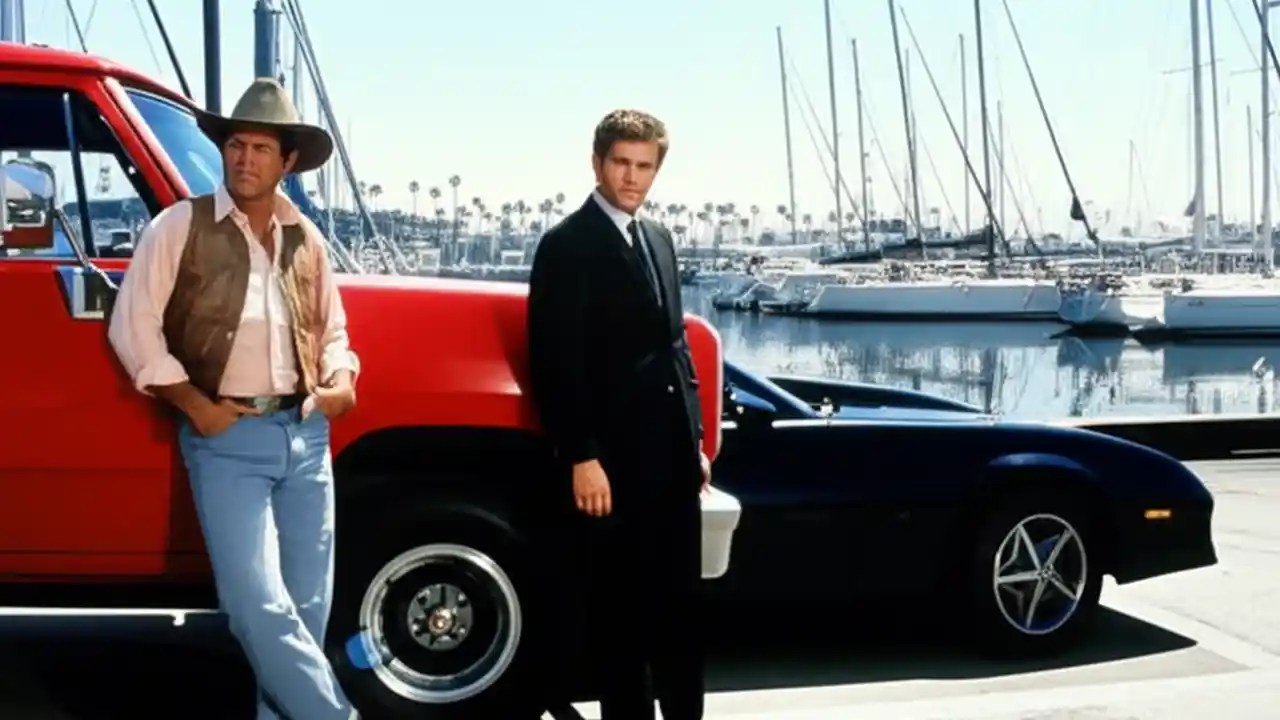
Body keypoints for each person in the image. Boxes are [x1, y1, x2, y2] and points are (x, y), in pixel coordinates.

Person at [107, 78, 360, 720]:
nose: (244, 159)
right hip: (228, 438)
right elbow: (132, 329)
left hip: (304, 437)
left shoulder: (307, 239)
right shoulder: (179, 226)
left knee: (305, 613)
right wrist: (196, 405)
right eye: (237, 145)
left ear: (288, 162)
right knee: (255, 607)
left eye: (261, 149)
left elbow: (332, 330)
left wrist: (341, 380)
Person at [527, 109, 712, 720]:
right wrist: (582, 456)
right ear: (597, 162)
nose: (632, 178)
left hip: (673, 466)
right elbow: (556, 362)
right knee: (622, 624)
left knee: (682, 615)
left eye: (644, 167)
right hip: (611, 472)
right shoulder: (567, 245)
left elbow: (675, 345)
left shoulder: (658, 239)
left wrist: (697, 443)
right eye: (621, 164)